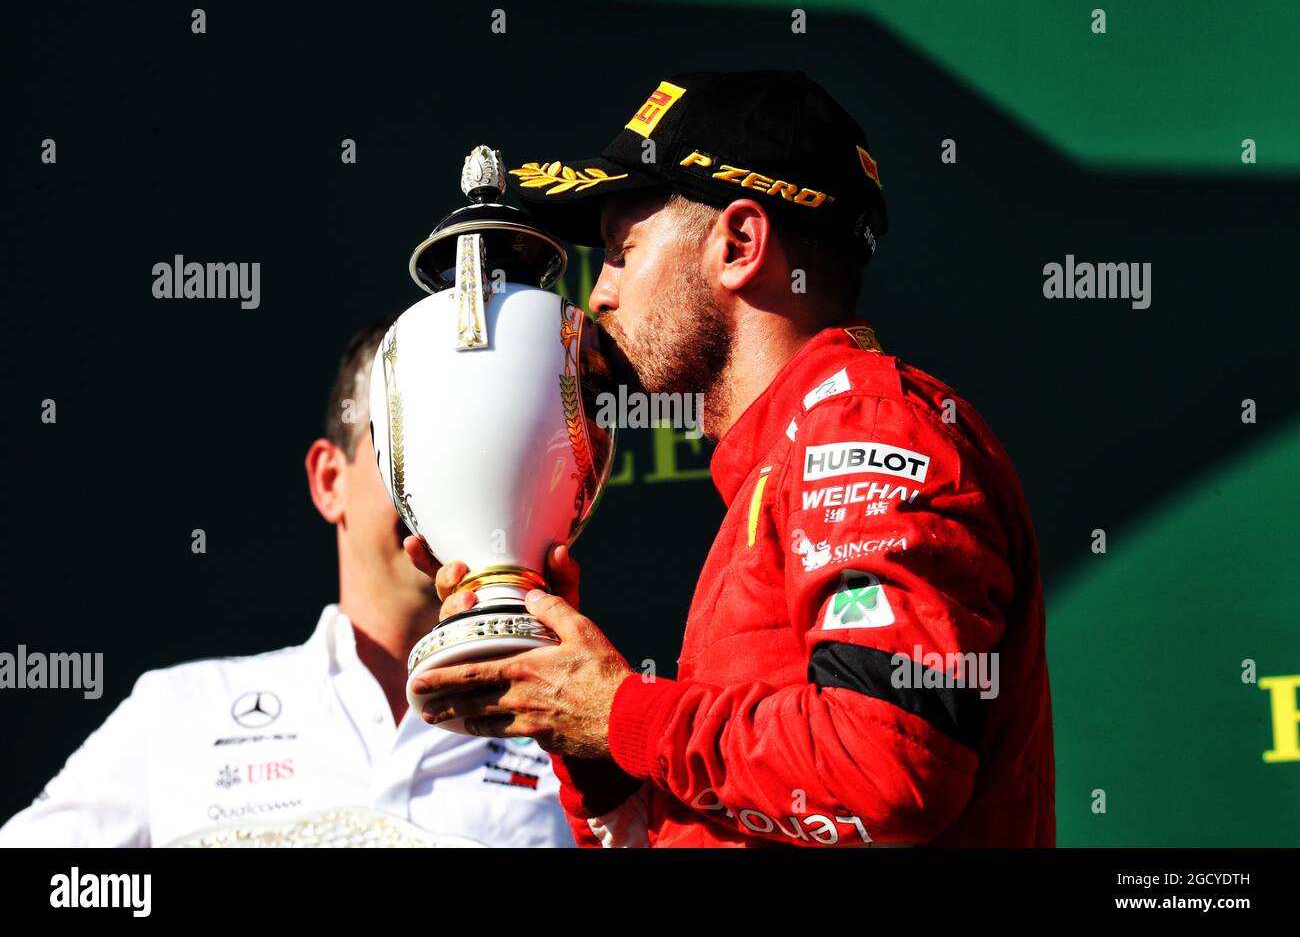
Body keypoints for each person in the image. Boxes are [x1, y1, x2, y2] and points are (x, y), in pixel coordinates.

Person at [402, 70, 1056, 847]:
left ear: (739, 245)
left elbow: (889, 771)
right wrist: (589, 737)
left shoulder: (861, 425)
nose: (599, 295)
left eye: (620, 250)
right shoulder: (781, 464)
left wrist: (620, 711)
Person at [0, 314, 572, 847]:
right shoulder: (178, 713)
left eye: (482, 441)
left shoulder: (569, 740)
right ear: (330, 480)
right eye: (414, 440)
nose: (455, 475)